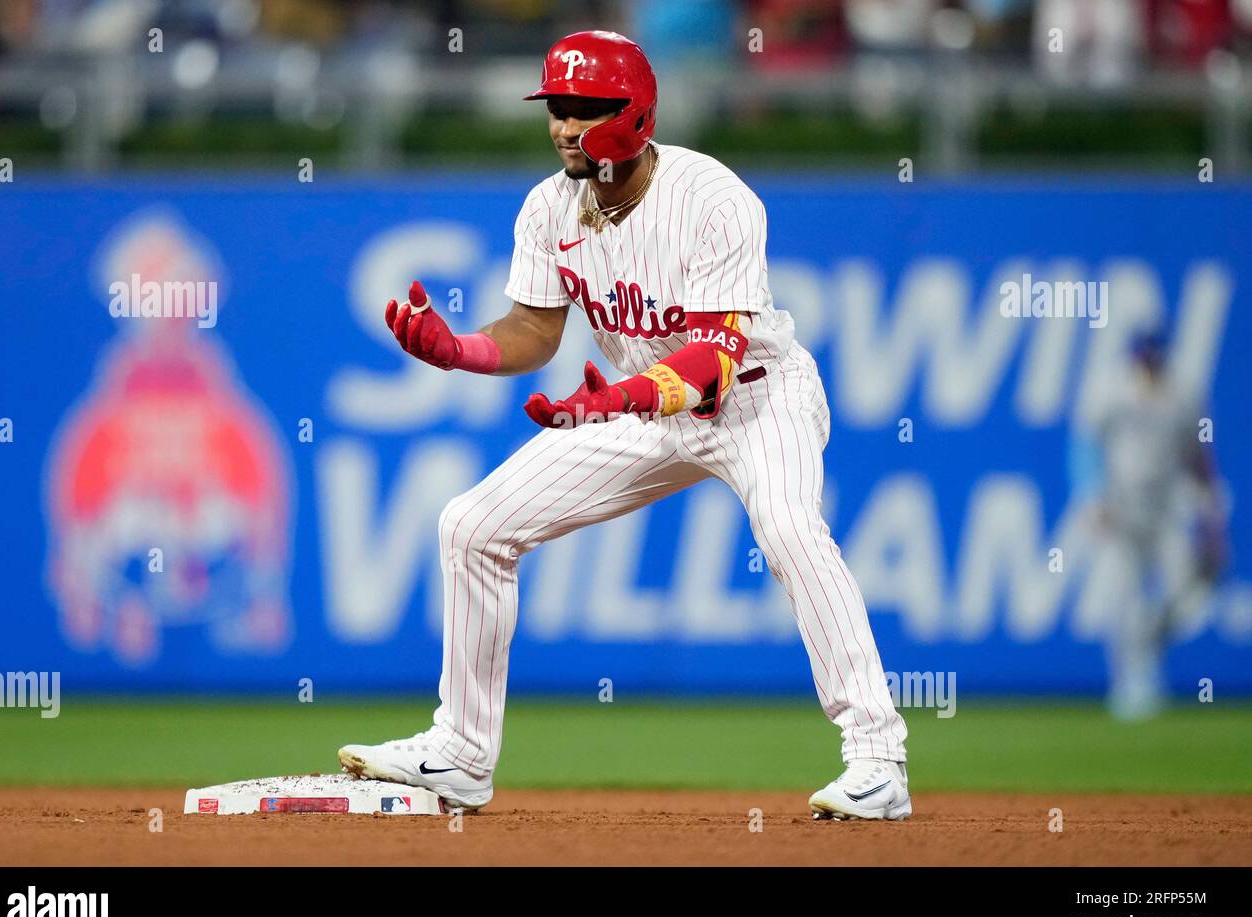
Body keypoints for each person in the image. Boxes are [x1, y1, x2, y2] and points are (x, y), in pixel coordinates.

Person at [339, 30, 911, 820]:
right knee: (471, 526)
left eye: (586, 108)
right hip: (641, 407)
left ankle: (878, 760)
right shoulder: (550, 205)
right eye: (557, 108)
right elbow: (534, 333)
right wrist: (461, 350)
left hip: (754, 397)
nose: (566, 126)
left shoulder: (713, 199)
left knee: (788, 529)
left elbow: (713, 360)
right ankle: (461, 755)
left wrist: (618, 399)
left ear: (637, 114)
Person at [1071, 330, 1228, 720]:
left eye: (1152, 357)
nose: (1146, 364)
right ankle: (1130, 682)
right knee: (1122, 598)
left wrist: (1210, 508)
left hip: (1167, 510)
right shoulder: (1111, 389)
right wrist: (1091, 497)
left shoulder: (1183, 394)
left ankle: (1148, 646)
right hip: (1121, 509)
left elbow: (1198, 454)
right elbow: (1085, 444)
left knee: (1186, 590)